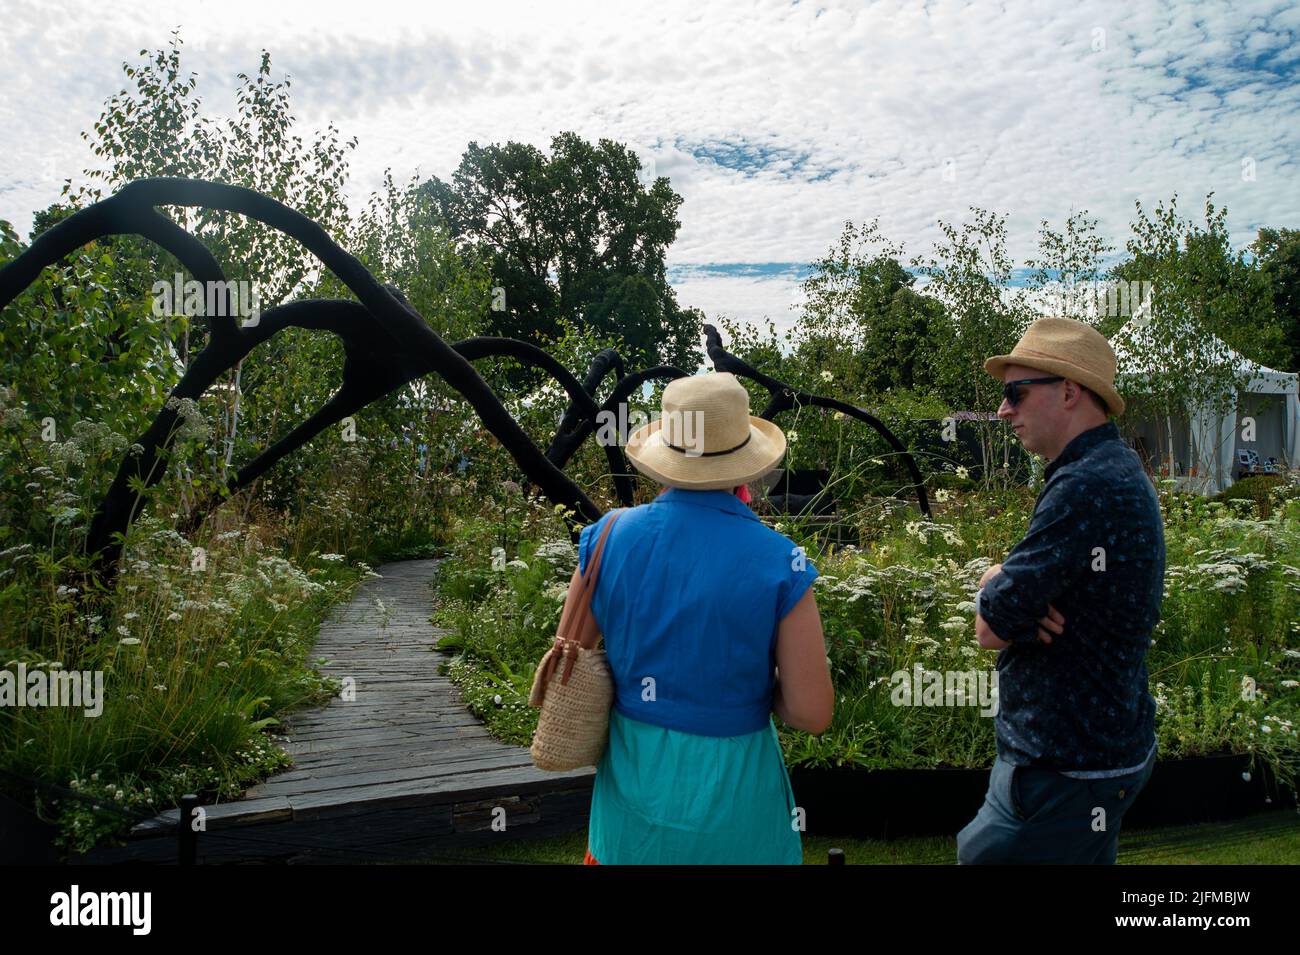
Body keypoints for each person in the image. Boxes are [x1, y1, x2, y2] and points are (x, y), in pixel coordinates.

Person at [558, 371, 834, 864]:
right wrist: (754, 689)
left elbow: (570, 656)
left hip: (631, 808)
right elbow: (813, 712)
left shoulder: (605, 538)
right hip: (737, 809)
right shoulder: (781, 560)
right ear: (745, 463)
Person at [957, 317, 1165, 864]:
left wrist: (995, 586)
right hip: (1099, 756)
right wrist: (1002, 582)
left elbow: (991, 627)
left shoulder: (1084, 484)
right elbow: (1008, 600)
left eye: (1015, 393)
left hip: (1065, 769)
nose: (1004, 410)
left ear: (1070, 392)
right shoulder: (1108, 467)